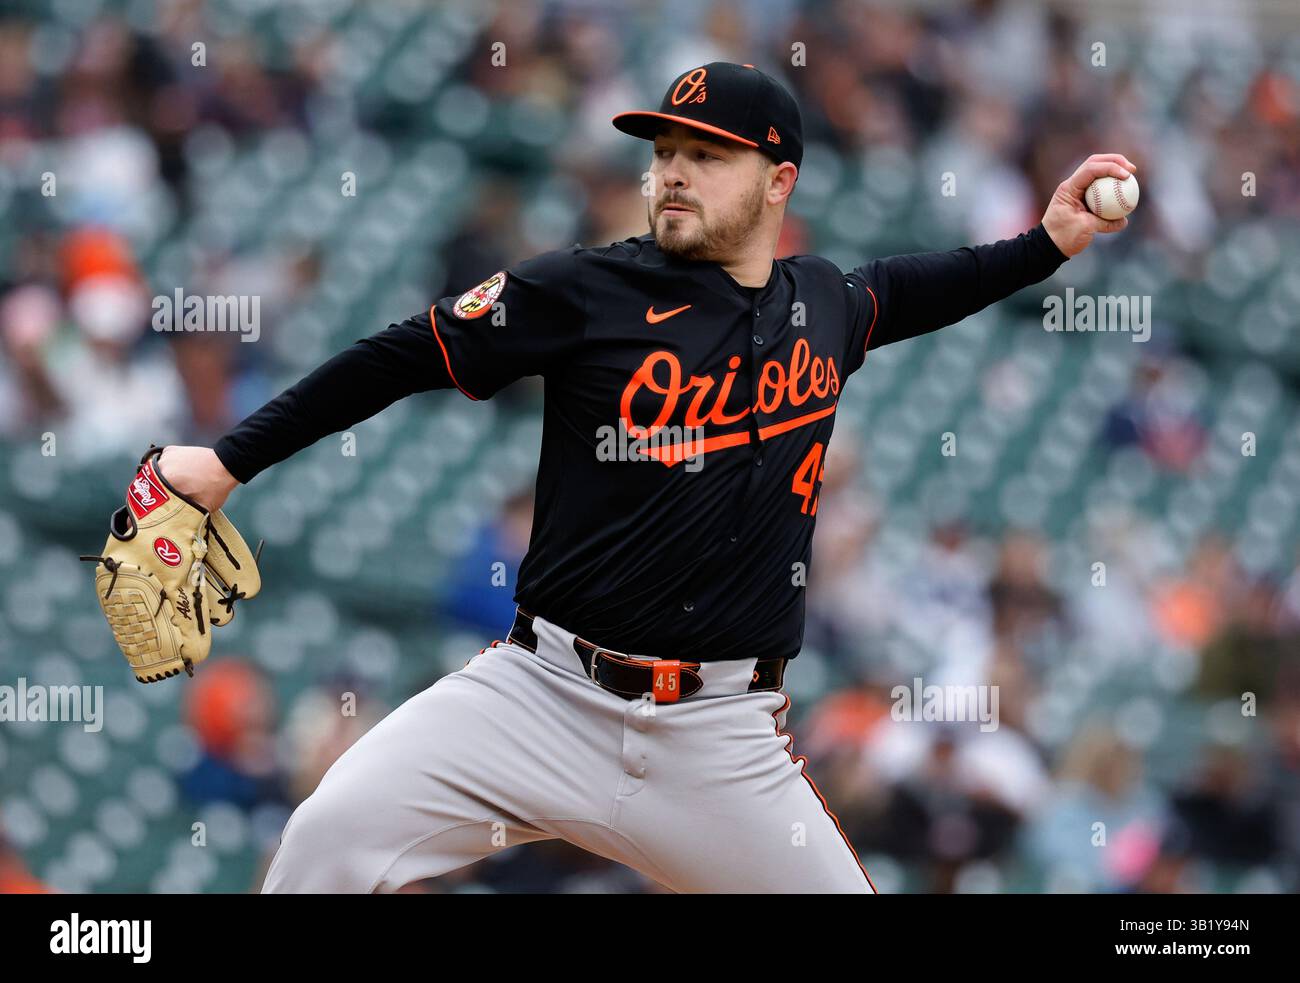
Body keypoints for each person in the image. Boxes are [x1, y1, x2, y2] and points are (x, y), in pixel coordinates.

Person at [154, 63, 1134, 893]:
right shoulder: (584, 290)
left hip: (721, 736)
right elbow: (397, 355)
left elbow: (943, 280)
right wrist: (230, 458)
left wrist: (1046, 243)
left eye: (706, 155)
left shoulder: (826, 304)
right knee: (324, 844)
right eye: (664, 152)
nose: (672, 172)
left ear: (776, 180)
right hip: (537, 696)